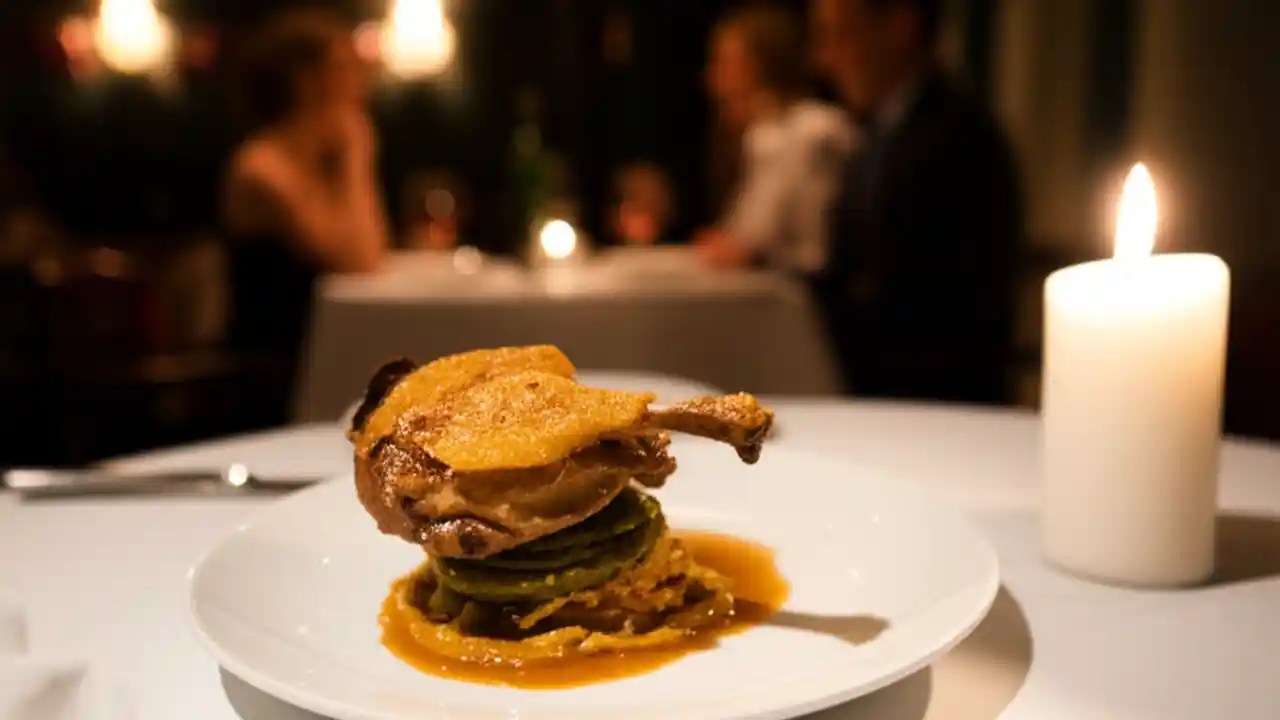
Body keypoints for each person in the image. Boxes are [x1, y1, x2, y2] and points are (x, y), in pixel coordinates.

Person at [812, 0, 1021, 403]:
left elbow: (929, 310)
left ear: (900, 27)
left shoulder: (959, 139)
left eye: (841, 35)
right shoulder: (881, 132)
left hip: (937, 409)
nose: (824, 59)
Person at [221, 10, 388, 422]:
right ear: (304, 80)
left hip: (320, 352)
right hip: (274, 375)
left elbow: (372, 250)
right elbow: (356, 260)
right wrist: (356, 158)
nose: (361, 79)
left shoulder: (315, 164)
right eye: (344, 65)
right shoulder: (261, 166)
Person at [695, 4, 854, 275]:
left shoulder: (816, 132)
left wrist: (746, 252)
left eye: (726, 65)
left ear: (763, 67)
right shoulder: (762, 137)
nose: (712, 80)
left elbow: (814, 252)